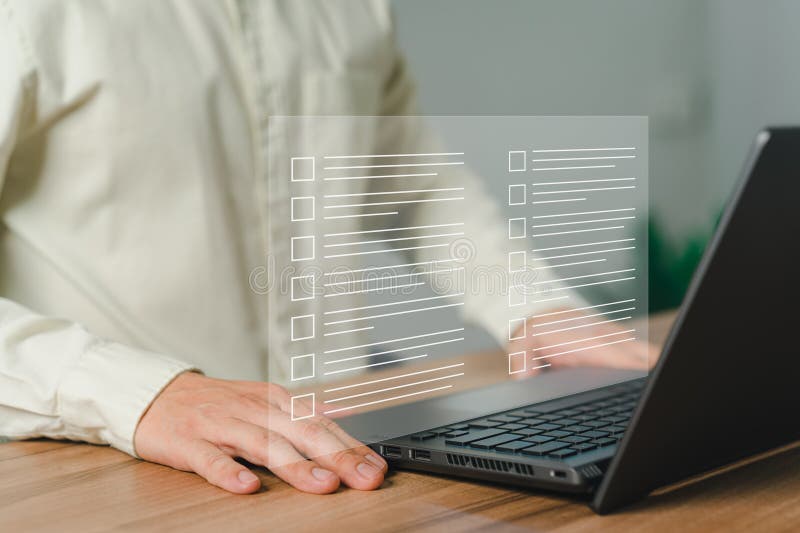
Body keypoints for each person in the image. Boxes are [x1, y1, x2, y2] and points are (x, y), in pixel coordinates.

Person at [0, 0, 650, 495]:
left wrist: (533, 305)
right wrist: (140, 392)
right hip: (117, 477)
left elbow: (411, 184)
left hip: (346, 455)